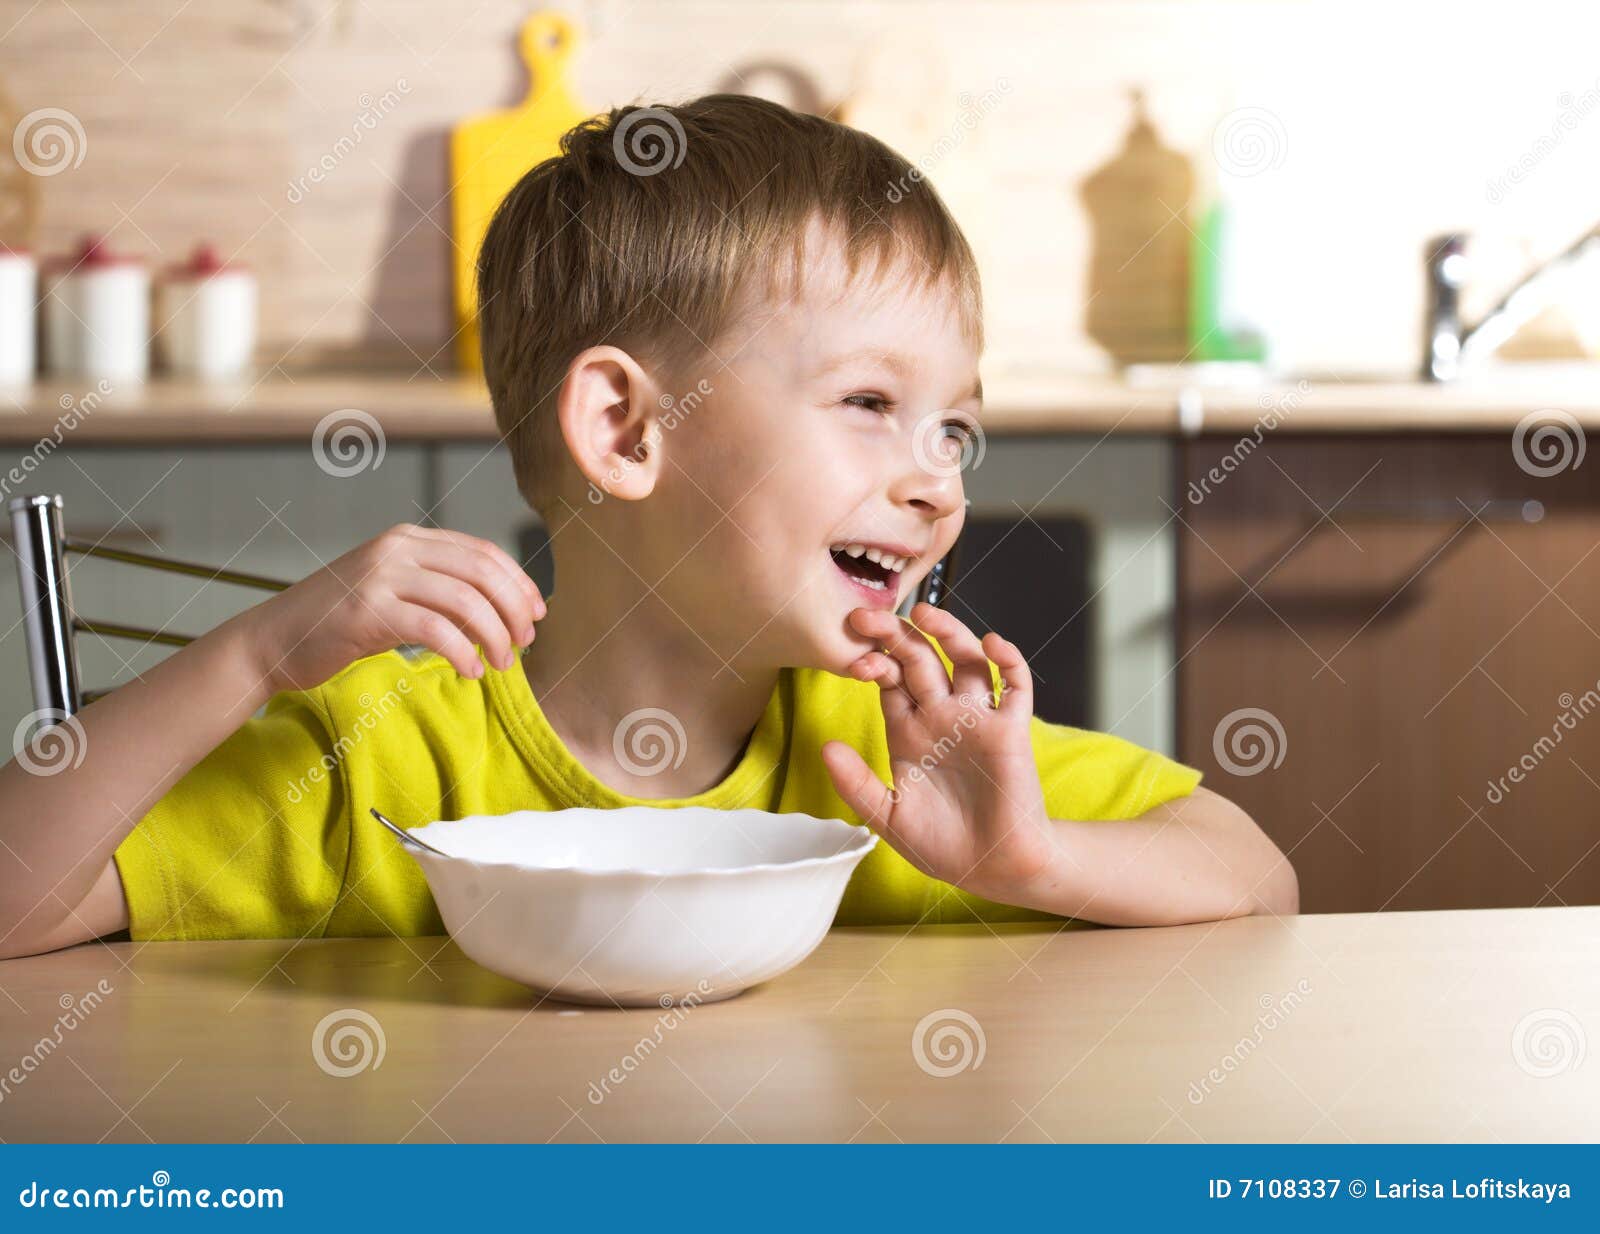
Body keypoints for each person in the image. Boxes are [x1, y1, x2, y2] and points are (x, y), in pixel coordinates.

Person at [0, 95, 1297, 958]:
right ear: (627, 429)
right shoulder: (381, 757)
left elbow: (1252, 869)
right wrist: (261, 657)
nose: (940, 480)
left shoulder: (896, 758)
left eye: (954, 425)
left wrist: (1033, 857)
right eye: (870, 403)